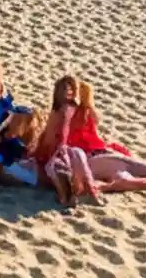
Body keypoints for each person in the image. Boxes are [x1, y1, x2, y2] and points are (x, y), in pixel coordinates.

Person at [34, 75, 103, 207]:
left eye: (72, 88)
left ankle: (91, 192)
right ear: (59, 92)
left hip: (65, 148)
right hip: (52, 151)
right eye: (66, 88)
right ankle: (66, 198)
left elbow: (95, 121)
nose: (70, 91)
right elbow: (49, 137)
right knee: (58, 165)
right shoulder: (57, 111)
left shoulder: (73, 108)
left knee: (78, 154)